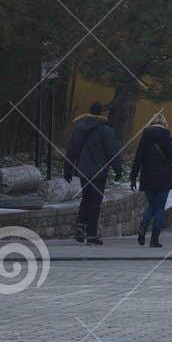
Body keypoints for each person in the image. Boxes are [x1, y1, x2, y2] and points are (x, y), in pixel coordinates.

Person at [63, 101, 124, 245]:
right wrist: (118, 169)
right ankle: (91, 235)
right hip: (99, 172)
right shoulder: (105, 131)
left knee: (86, 198)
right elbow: (112, 152)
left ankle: (80, 226)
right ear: (100, 113)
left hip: (83, 171)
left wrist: (68, 170)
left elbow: (72, 151)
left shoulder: (79, 129)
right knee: (95, 202)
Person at [129, 111, 172, 248]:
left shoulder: (145, 137)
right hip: (163, 177)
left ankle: (143, 228)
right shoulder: (166, 137)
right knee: (160, 208)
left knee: (151, 205)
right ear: (164, 124)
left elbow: (138, 159)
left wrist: (133, 178)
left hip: (147, 177)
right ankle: (154, 239)